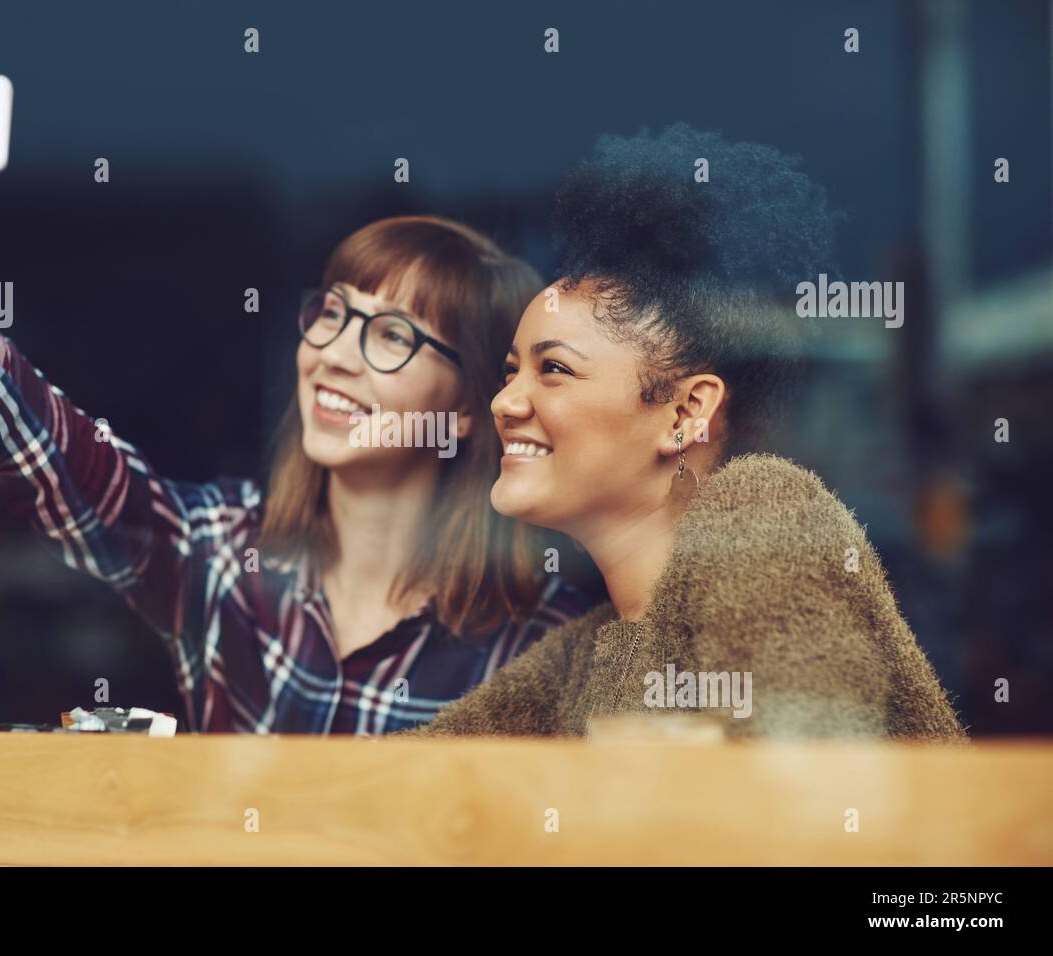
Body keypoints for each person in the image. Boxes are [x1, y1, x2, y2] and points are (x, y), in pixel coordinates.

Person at [0, 73, 590, 734]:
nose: (334, 354)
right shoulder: (219, 554)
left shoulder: (539, 643)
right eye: (332, 314)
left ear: (460, 410)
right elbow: (41, 448)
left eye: (390, 337)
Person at [402, 125, 967, 741]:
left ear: (684, 413)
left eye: (554, 369)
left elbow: (805, 749)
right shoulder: (580, 663)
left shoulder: (762, 508)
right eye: (511, 372)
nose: (505, 401)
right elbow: (398, 785)